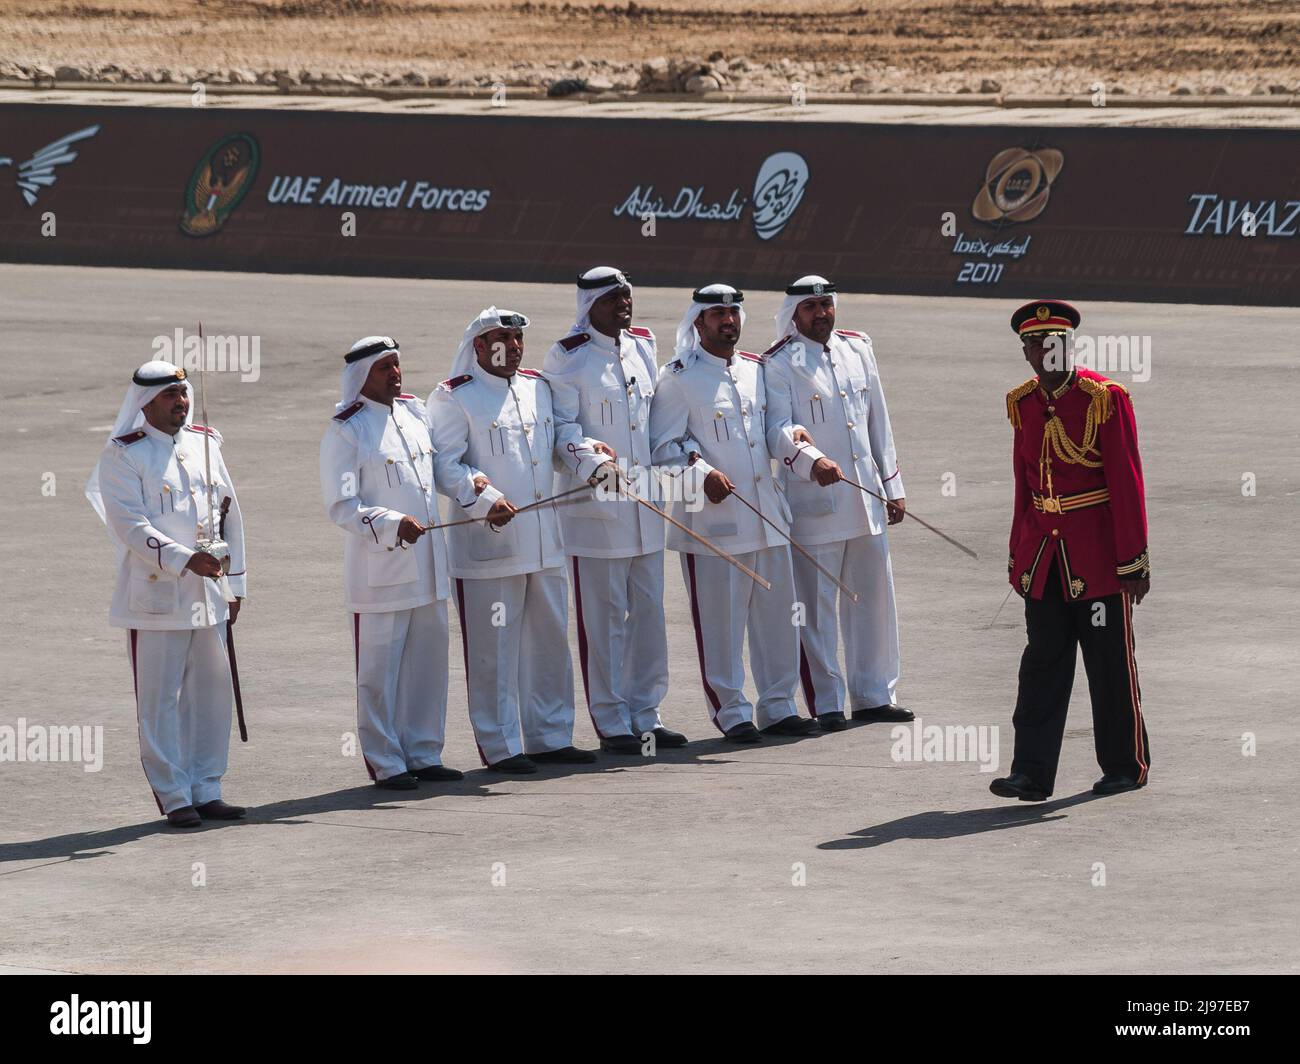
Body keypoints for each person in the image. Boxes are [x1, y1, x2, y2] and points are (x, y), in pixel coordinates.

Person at [648, 284, 835, 743]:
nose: (727, 321)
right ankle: (731, 711)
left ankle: (779, 705)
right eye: (716, 315)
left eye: (733, 313)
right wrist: (701, 473)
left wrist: (806, 455)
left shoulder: (756, 370)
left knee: (777, 616)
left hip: (768, 515)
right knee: (721, 624)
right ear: (698, 323)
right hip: (714, 526)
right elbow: (663, 449)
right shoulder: (677, 378)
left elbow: (775, 429)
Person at [427, 307, 602, 773]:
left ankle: (549, 736)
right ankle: (501, 745)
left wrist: (589, 460)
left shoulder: (537, 388)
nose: (514, 345)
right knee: (494, 651)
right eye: (502, 337)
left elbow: (561, 442)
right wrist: (482, 498)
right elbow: (446, 466)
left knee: (549, 643)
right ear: (479, 347)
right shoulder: (454, 397)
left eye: (518, 336)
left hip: (544, 542)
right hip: (490, 544)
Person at [990, 300, 1152, 802]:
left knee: (1108, 663)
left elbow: (1127, 484)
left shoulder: (1104, 398)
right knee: (1041, 662)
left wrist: (1133, 561)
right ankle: (1031, 772)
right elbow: (1024, 486)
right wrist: (1020, 556)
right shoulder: (1023, 403)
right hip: (1045, 559)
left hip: (1098, 557)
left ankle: (1125, 764)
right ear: (1026, 352)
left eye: (1054, 342)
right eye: (1036, 344)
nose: (1045, 351)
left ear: (1069, 346)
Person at [86, 361, 247, 828]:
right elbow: (131, 526)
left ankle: (207, 787)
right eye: (170, 396)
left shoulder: (205, 442)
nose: (181, 403)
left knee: (211, 692)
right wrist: (182, 558)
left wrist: (236, 583)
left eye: (183, 394)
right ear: (146, 403)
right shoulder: (124, 454)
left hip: (210, 591)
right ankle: (174, 794)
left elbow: (230, 513)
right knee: (159, 699)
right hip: (156, 596)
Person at [543, 266, 687, 755]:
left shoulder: (643, 345)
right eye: (612, 299)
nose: (624, 304)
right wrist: (593, 461)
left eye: (627, 296)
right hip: (595, 511)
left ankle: (646, 714)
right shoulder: (568, 358)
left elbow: (655, 423)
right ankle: (611, 721)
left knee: (647, 615)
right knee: (603, 620)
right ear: (589, 307)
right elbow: (561, 431)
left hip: (646, 507)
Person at [764, 275, 911, 731]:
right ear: (793, 315)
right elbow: (777, 429)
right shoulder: (778, 363)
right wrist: (809, 459)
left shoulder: (857, 348)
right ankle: (826, 702)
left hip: (865, 498)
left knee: (874, 600)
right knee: (815, 608)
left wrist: (892, 484)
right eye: (810, 308)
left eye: (826, 305)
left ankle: (873, 695)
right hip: (814, 503)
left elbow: (877, 419)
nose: (821, 314)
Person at [320, 335, 466, 790]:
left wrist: (480, 492)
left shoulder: (414, 414)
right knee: (379, 672)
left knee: (428, 665)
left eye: (396, 365)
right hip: (380, 571)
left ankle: (424, 752)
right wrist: (387, 522)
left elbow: (441, 473)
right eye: (384, 368)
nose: (395, 373)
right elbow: (341, 504)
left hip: (428, 566)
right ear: (362, 376)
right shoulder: (347, 429)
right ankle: (386, 761)